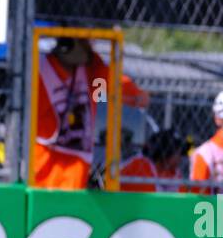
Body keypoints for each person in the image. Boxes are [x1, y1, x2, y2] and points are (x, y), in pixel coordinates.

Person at [31, 37, 149, 190]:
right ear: (67, 45)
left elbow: (117, 88)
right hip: (43, 171)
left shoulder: (90, 71)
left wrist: (136, 95)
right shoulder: (40, 70)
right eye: (84, 42)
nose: (89, 48)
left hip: (76, 173)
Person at [120, 128, 186, 192]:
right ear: (165, 153)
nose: (181, 157)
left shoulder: (173, 171)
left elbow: (182, 197)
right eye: (178, 153)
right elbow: (151, 201)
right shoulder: (140, 165)